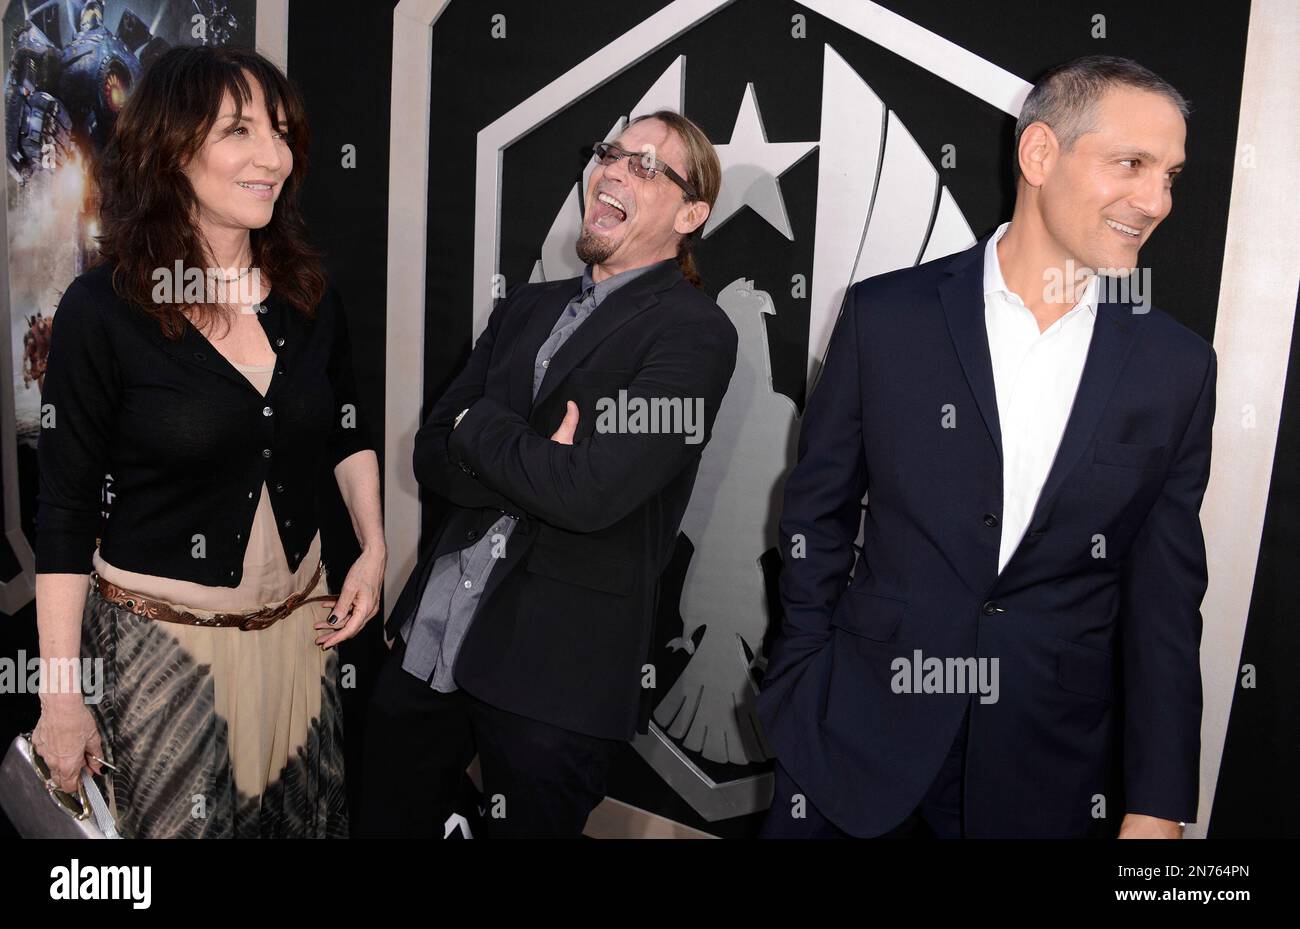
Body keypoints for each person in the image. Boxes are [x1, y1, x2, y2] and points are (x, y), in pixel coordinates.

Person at [757, 55, 1213, 839]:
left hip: (1044, 771)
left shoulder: (1175, 366)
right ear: (1039, 154)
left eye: (1169, 175)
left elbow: (1166, 602)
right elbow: (814, 512)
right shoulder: (886, 317)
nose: (1156, 200)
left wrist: (1158, 800)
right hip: (852, 742)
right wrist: (800, 674)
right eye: (1132, 165)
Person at [31, 45, 384, 838]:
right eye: (240, 131)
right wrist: (60, 695)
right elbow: (64, 509)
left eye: (283, 132)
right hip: (167, 663)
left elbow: (347, 420)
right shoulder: (103, 310)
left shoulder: (308, 294)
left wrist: (373, 542)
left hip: (301, 639)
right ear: (172, 147)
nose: (275, 157)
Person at [361, 110, 737, 838]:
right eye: (611, 154)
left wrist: (486, 429)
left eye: (647, 165)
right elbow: (432, 453)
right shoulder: (526, 305)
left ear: (692, 214)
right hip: (429, 640)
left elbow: (590, 492)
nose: (614, 170)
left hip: (551, 681)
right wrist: (534, 454)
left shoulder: (696, 333)